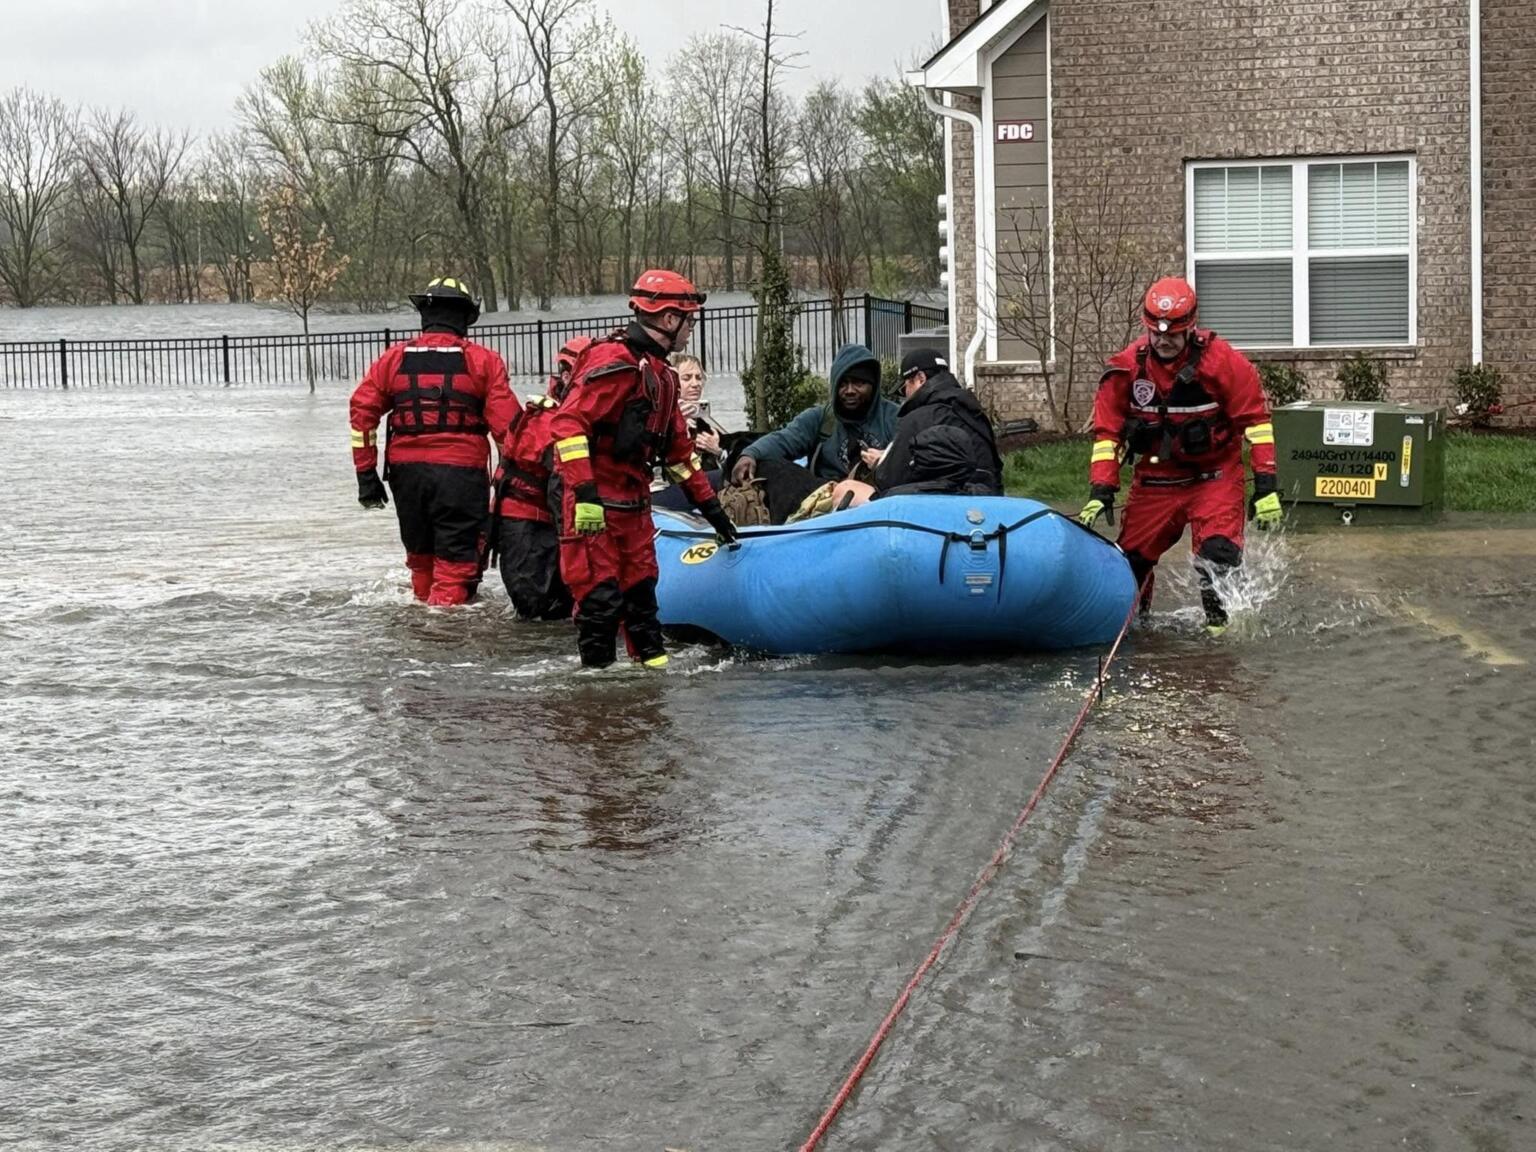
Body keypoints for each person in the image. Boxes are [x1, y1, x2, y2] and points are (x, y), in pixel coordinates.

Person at [548, 268, 739, 669]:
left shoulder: (662, 377)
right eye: (689, 320)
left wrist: (714, 512)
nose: (691, 329)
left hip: (633, 507)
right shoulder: (613, 361)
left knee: (642, 603)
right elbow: (567, 425)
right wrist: (584, 495)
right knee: (599, 604)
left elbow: (679, 457)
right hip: (595, 506)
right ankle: (597, 703)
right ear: (670, 319)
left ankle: (648, 697)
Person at [1077, 275, 1281, 635]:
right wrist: (1101, 489)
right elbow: (1108, 435)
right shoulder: (1126, 369)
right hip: (1158, 479)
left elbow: (1257, 422)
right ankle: (1134, 626)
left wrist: (1266, 484)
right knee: (1130, 563)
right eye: (1155, 332)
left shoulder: (1223, 363)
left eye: (1172, 333)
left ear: (1190, 328)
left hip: (1214, 476)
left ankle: (1221, 633)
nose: (1162, 339)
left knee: (1218, 557)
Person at [350, 276, 518, 606]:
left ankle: (420, 628)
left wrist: (366, 475)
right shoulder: (483, 361)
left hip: (406, 475)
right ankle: (442, 641)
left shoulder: (392, 359)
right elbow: (509, 429)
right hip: (461, 476)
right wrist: (516, 477)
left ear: (425, 315)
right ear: (466, 318)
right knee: (456, 567)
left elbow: (362, 412)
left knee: (420, 558)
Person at [728, 344, 899, 522]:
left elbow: (913, 460)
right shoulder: (821, 418)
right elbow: (785, 438)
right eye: (843, 383)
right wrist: (750, 454)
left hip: (874, 501)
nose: (849, 390)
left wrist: (886, 459)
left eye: (859, 383)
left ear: (873, 385)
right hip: (822, 500)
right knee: (770, 465)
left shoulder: (894, 417)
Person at [872, 348, 1003, 497]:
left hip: (937, 509)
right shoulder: (973, 412)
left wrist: (880, 463)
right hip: (986, 503)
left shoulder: (917, 419)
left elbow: (888, 480)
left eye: (904, 388)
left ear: (920, 378)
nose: (905, 396)